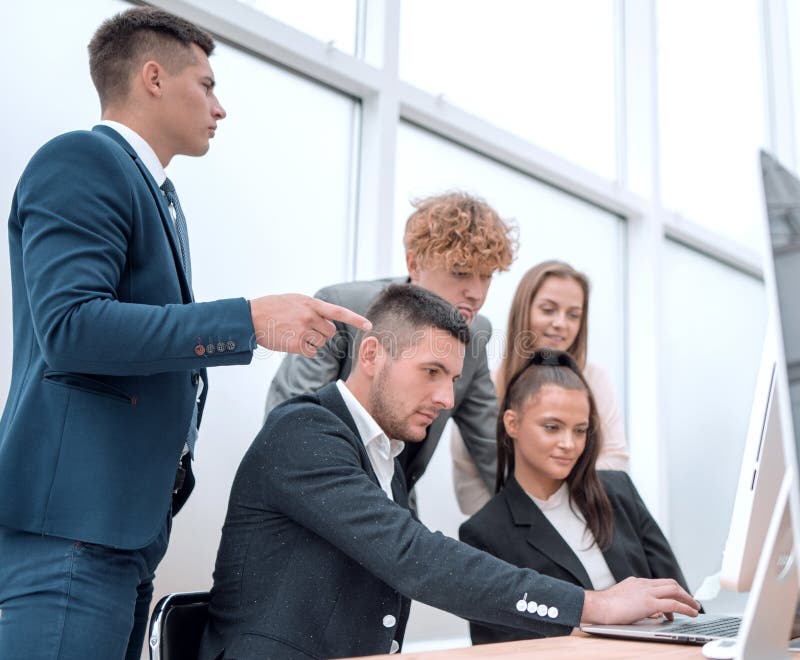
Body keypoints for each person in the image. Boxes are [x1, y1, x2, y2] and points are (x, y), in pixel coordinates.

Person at [0, 8, 368, 660]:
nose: (219, 107)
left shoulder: (161, 196)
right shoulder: (82, 160)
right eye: (207, 84)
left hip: (124, 533)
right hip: (72, 530)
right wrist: (247, 321)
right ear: (152, 77)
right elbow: (71, 328)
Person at [200, 284, 700, 660]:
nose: (446, 399)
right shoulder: (304, 431)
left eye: (454, 379)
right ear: (371, 354)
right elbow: (415, 557)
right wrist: (591, 605)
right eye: (432, 372)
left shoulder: (382, 456)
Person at [266, 192, 516, 497]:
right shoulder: (343, 307)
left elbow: (490, 448)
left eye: (486, 276)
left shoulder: (476, 334)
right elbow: (288, 423)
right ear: (414, 263)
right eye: (461, 272)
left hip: (398, 500)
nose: (476, 293)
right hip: (320, 492)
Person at [459, 349, 692, 645]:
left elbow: (681, 600)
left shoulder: (618, 491)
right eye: (552, 427)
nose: (569, 444)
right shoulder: (484, 533)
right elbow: (498, 649)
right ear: (512, 423)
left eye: (580, 430)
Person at [452, 259, 629, 514]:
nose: (560, 323)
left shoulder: (595, 379)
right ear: (524, 311)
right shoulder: (487, 387)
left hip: (586, 524)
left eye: (573, 315)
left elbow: (615, 462)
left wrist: (561, 512)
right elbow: (469, 487)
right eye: (548, 310)